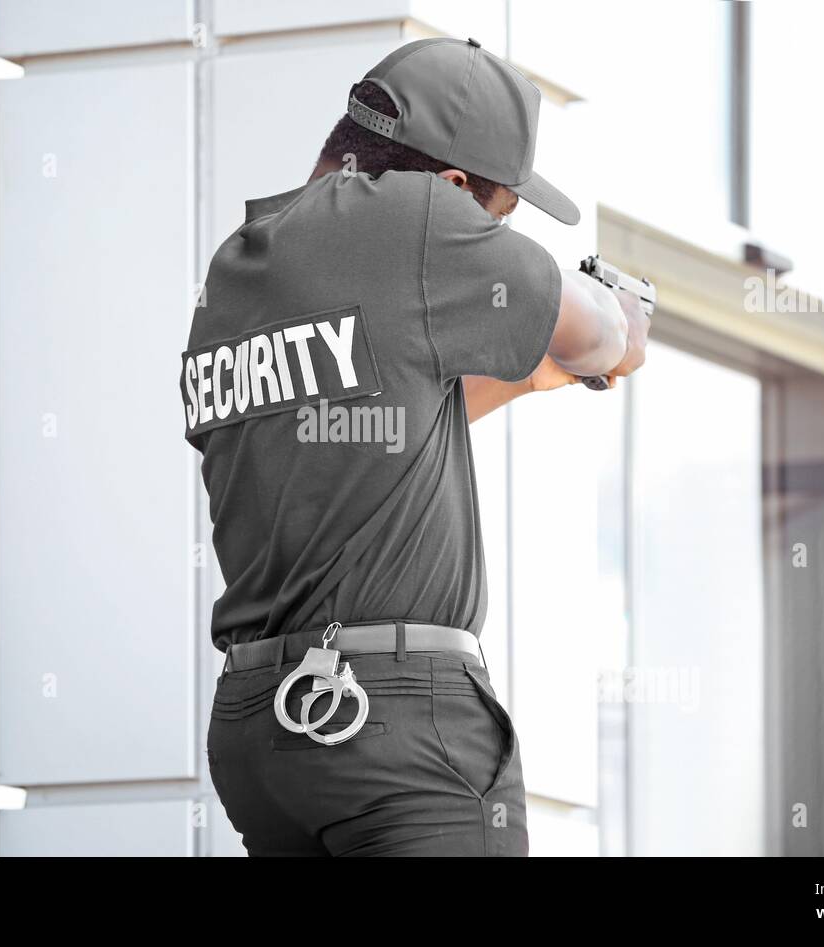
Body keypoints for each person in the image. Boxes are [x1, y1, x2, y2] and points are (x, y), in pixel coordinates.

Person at [181, 37, 649, 856]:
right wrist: (620, 327)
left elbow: (397, 413)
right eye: (496, 221)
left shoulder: (239, 272)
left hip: (263, 728)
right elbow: (597, 331)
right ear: (455, 187)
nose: (487, 239)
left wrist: (551, 376)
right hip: (396, 719)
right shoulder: (414, 214)